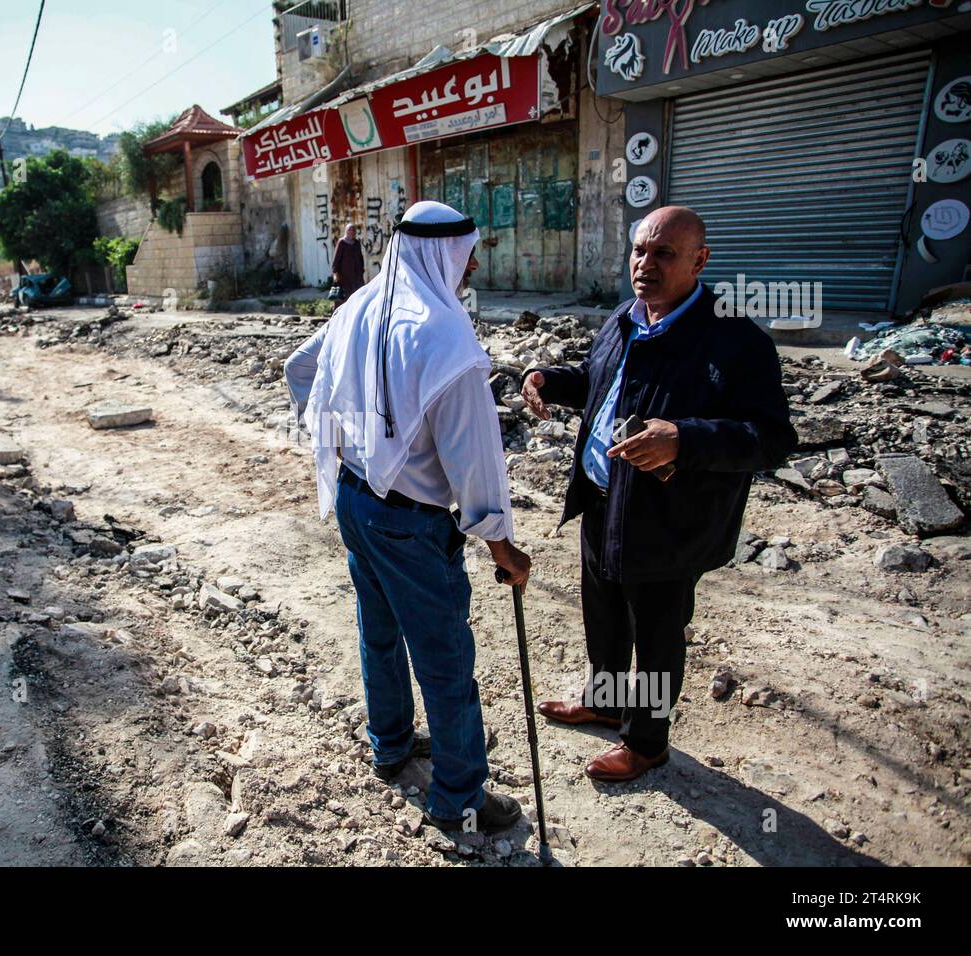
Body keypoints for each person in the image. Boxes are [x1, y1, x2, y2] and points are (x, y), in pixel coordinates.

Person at [520, 205, 795, 783]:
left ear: (700, 260)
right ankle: (608, 700)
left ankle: (647, 743)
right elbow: (601, 384)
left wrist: (684, 439)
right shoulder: (625, 317)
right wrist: (550, 378)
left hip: (670, 522)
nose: (645, 264)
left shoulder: (734, 340)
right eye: (639, 251)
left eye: (663, 253)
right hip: (602, 501)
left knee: (657, 634)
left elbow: (770, 438)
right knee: (605, 616)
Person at [286, 200, 531, 834]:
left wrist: (347, 441)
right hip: (410, 523)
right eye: (466, 251)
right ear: (440, 253)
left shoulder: (360, 306)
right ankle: (460, 799)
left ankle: (390, 744)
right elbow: (475, 464)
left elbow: (300, 370)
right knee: (444, 658)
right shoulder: (448, 340)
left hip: (355, 500)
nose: (472, 261)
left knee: (379, 631)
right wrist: (502, 546)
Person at [330, 223, 364, 301]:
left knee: (359, 296)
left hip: (357, 276)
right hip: (344, 276)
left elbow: (360, 257)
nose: (351, 232)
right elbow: (336, 259)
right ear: (346, 231)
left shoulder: (356, 243)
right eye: (349, 230)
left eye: (353, 230)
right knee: (345, 297)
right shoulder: (341, 242)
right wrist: (335, 273)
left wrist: (361, 270)